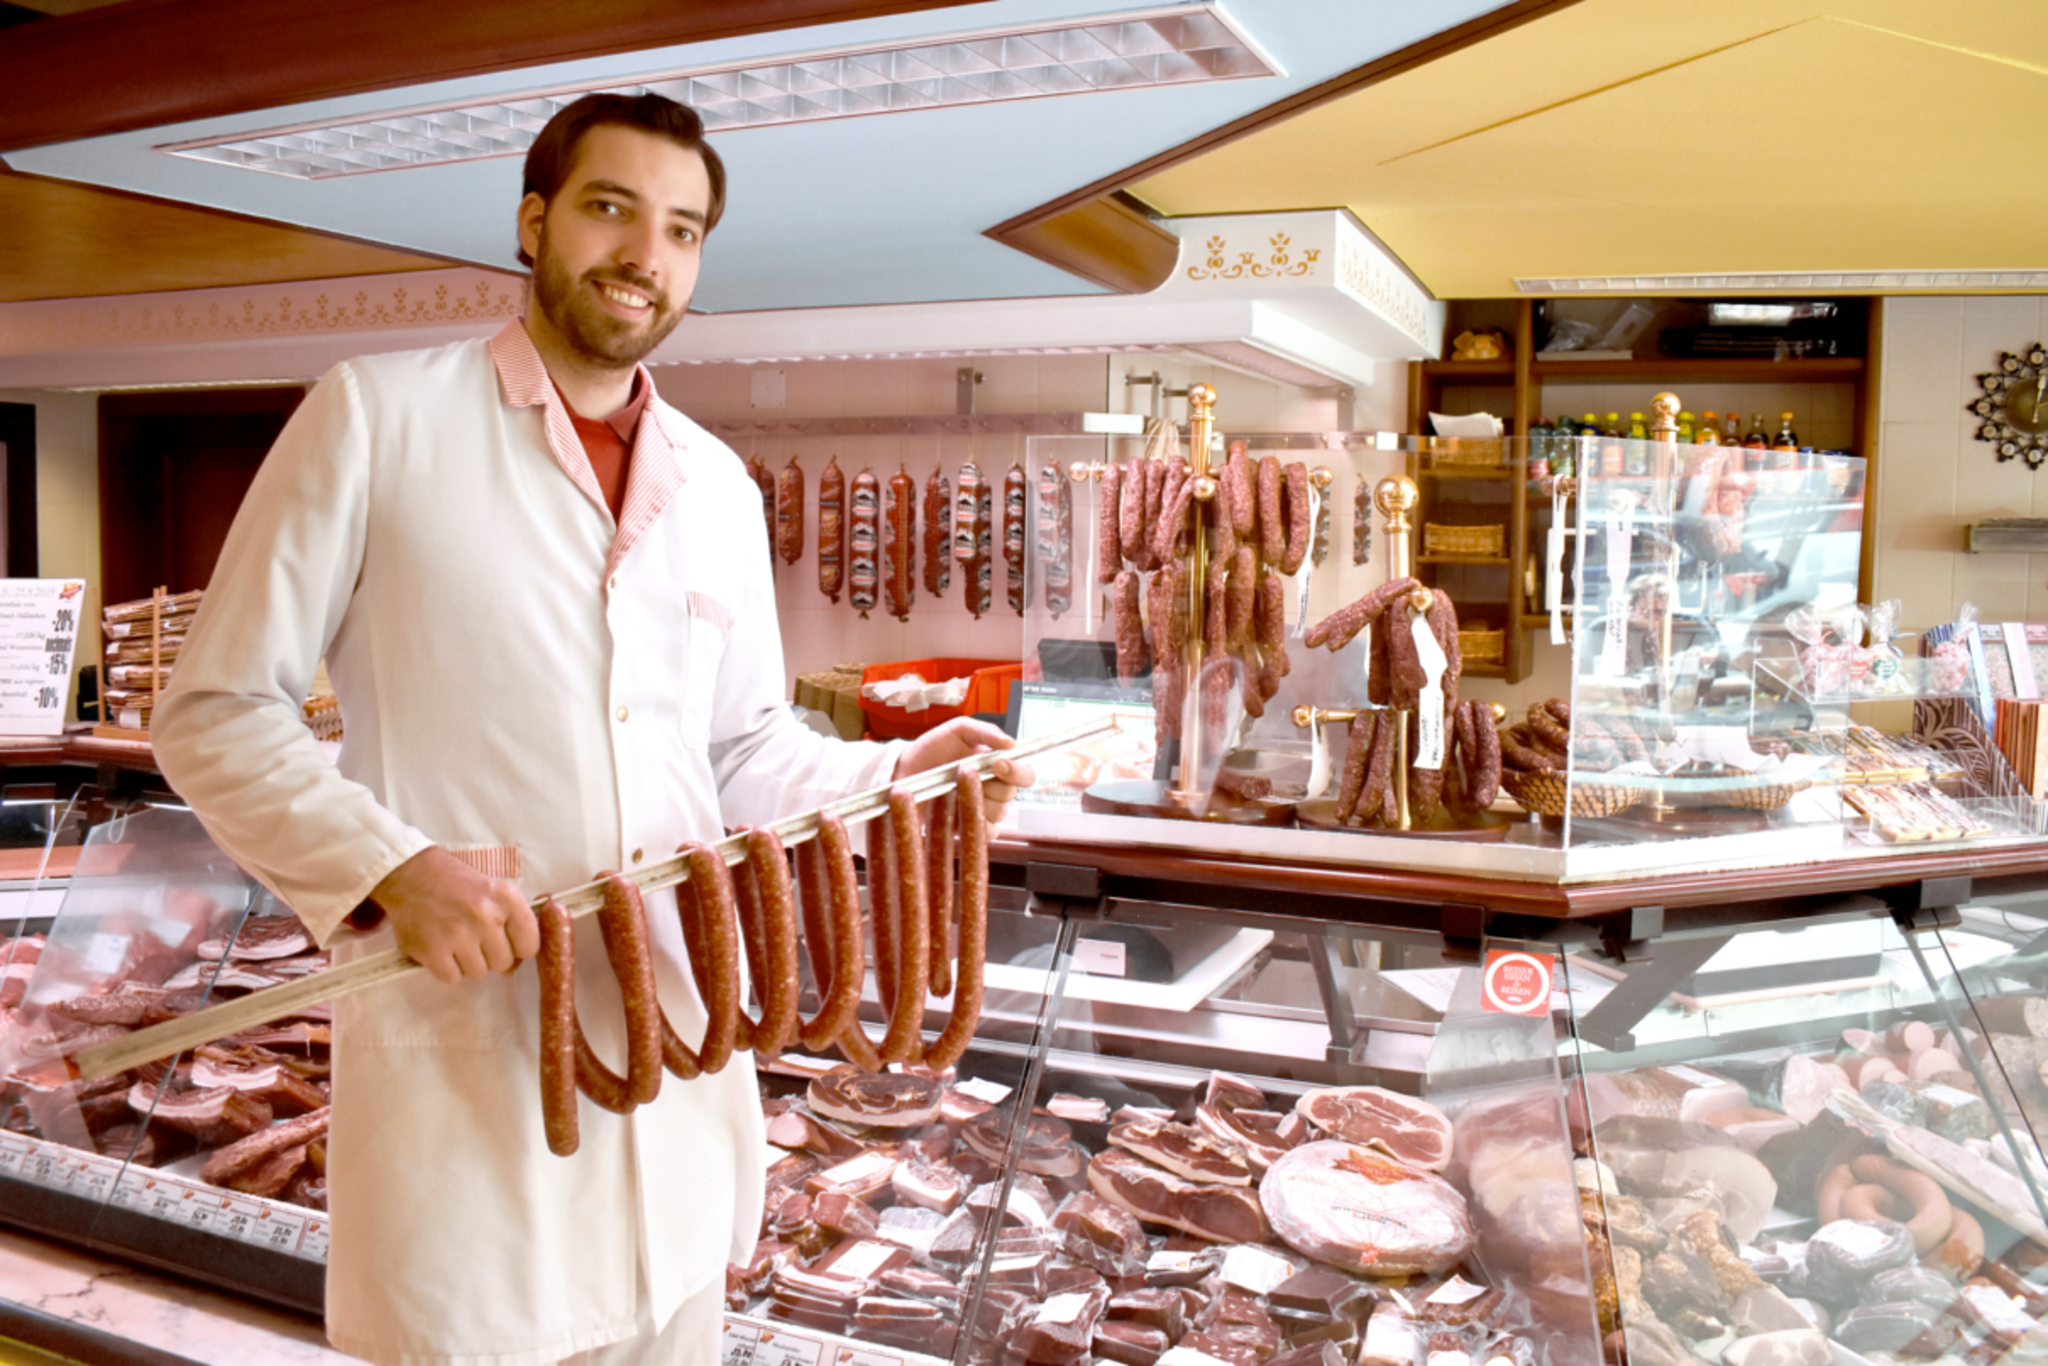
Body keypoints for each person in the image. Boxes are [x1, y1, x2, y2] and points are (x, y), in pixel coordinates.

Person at [152, 92, 1029, 1366]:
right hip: (472, 1104)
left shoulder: (717, 487)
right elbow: (217, 709)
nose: (644, 256)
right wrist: (393, 873)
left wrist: (898, 769)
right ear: (534, 221)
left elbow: (737, 751)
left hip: (671, 1095)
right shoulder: (377, 418)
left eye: (681, 230)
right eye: (612, 209)